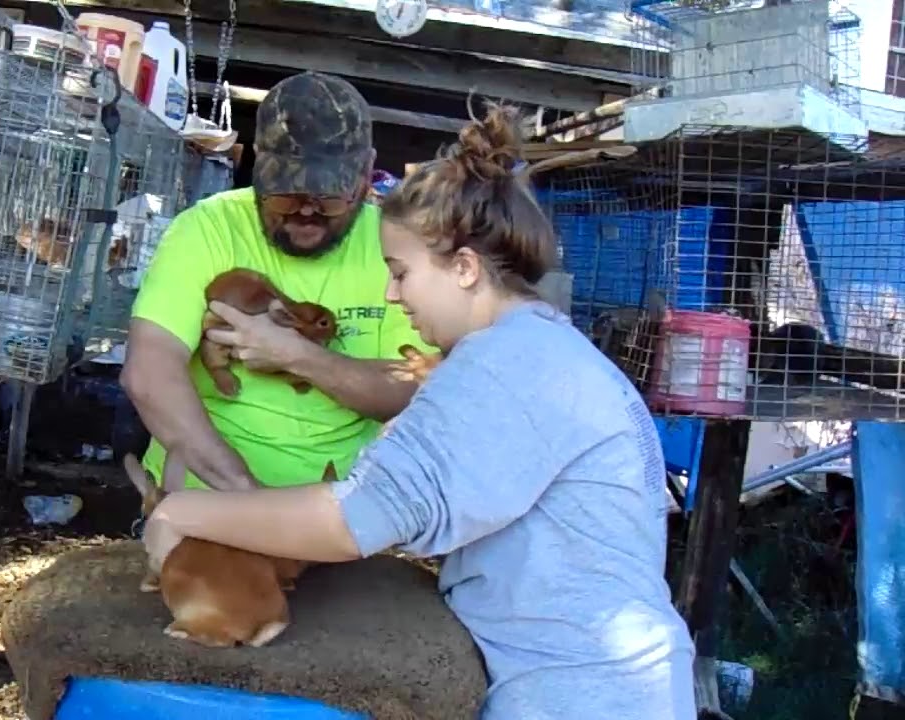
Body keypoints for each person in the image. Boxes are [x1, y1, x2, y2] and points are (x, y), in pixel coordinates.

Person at [139, 102, 698, 720]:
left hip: (576, 693)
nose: (390, 294)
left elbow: (361, 517)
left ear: (464, 268)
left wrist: (185, 510)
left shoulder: (505, 367)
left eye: (401, 273)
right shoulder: (536, 348)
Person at [120, 71, 428, 492]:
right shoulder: (209, 228)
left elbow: (416, 391)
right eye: (286, 195)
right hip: (202, 497)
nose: (306, 212)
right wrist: (249, 497)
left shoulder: (392, 246)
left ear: (366, 174)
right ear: (259, 167)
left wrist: (295, 355)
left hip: (338, 504)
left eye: (329, 197)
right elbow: (149, 372)